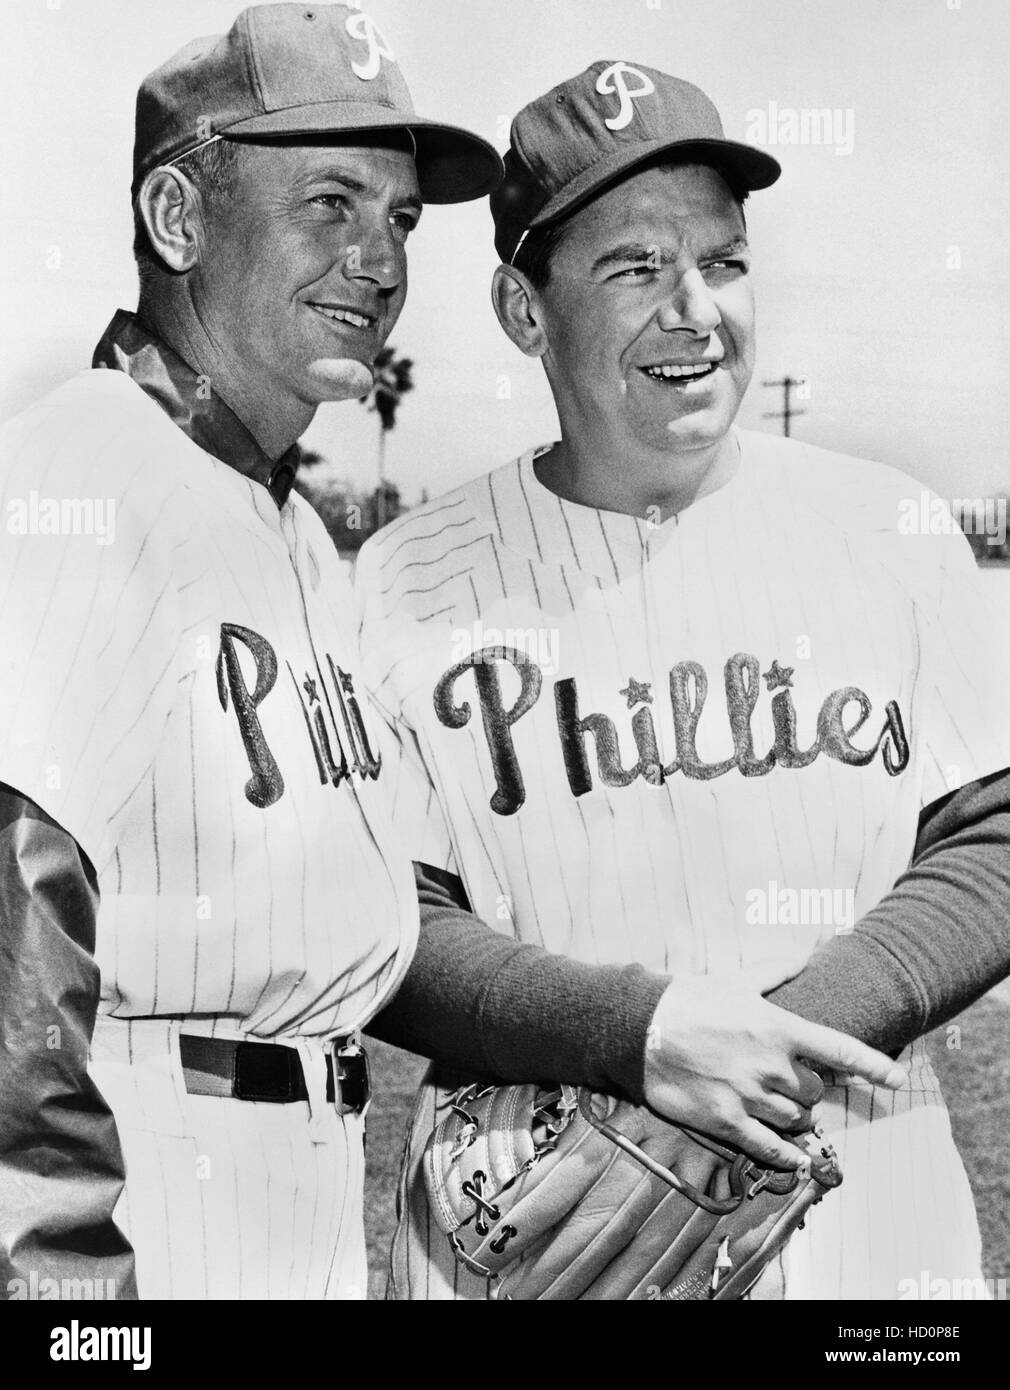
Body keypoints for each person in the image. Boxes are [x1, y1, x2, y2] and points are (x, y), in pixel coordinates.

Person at [356, 62, 1010, 1299]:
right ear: (519, 306)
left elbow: (989, 835)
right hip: (538, 1238)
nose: (694, 310)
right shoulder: (400, 582)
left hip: (865, 1241)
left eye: (722, 259)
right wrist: (637, 1040)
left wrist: (782, 1045)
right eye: (633, 268)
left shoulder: (890, 528)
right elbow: (381, 920)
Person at [0, 1, 502, 1301]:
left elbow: (384, 939)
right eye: (330, 202)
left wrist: (635, 1032)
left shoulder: (300, 543)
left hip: (306, 1208)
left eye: (399, 220)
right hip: (151, 1219)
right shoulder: (77, 481)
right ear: (178, 219)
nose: (379, 262)